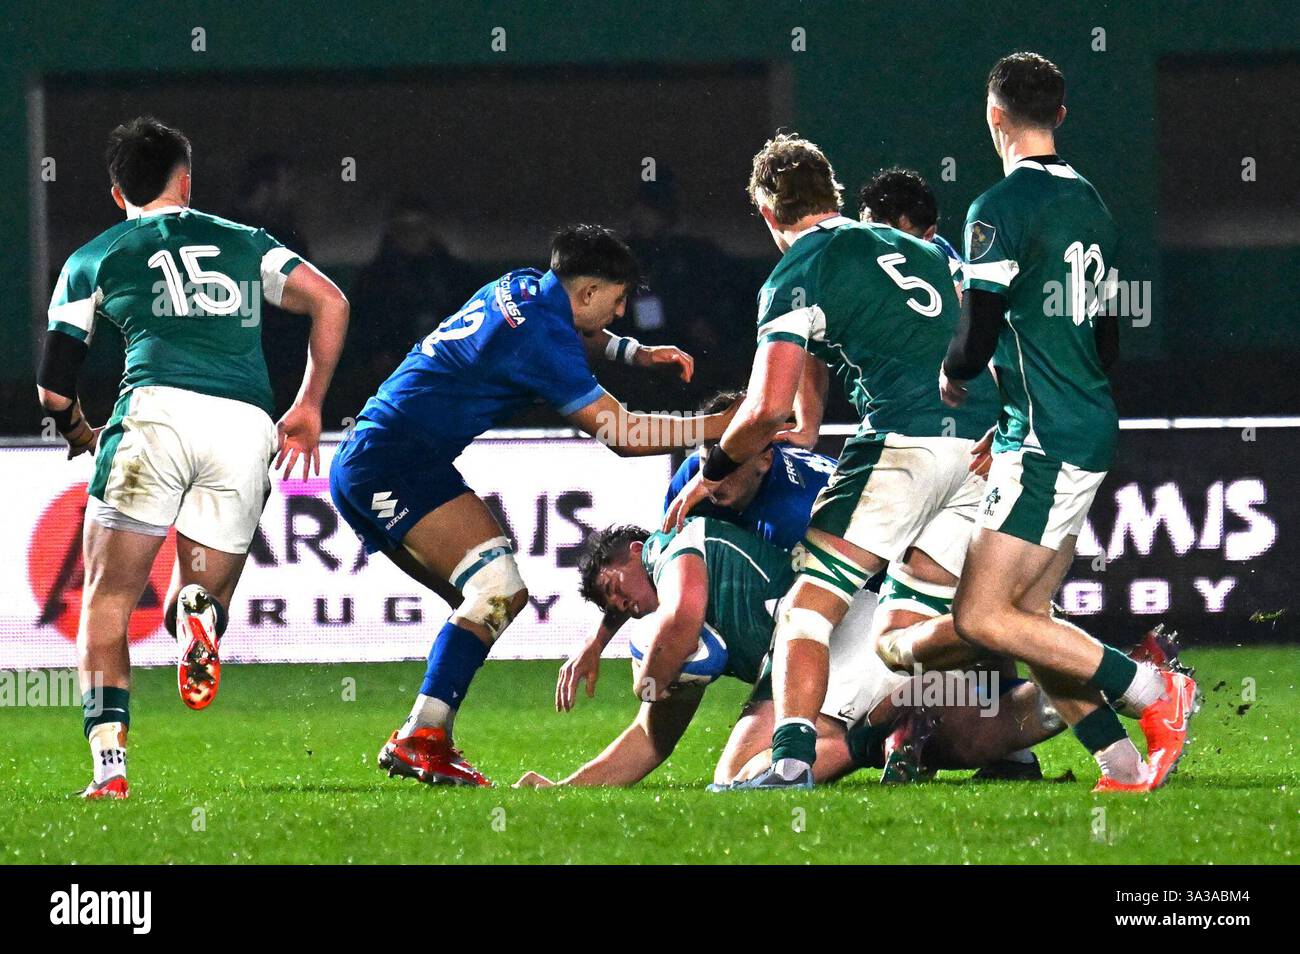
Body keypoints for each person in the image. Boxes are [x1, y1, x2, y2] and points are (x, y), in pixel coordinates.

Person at [329, 224, 735, 787]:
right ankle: (420, 737)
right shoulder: (540, 339)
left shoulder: (521, 286)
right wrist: (719, 426)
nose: (618, 315)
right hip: (392, 464)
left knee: (482, 601)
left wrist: (635, 354)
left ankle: (427, 732)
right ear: (588, 293)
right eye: (616, 302)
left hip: (379, 455)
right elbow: (621, 433)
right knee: (496, 590)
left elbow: (580, 334)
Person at [664, 133, 999, 789]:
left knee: (807, 610)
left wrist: (711, 468)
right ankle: (1118, 680)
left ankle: (792, 761)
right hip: (985, 446)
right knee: (926, 626)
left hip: (906, 442)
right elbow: (992, 329)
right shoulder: (927, 248)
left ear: (767, 215)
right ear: (835, 194)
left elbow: (766, 409)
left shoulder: (797, 271)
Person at [38, 117, 348, 799]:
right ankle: (199, 615)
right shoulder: (246, 242)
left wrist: (73, 425)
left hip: (155, 419)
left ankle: (110, 770)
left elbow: (54, 383)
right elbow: (331, 301)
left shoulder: (95, 256)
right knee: (203, 589)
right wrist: (309, 405)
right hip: (243, 425)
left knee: (107, 602)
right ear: (186, 180)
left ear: (118, 193)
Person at [937, 53, 1197, 793]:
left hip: (1047, 438)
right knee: (1030, 614)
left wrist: (954, 377)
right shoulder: (1095, 205)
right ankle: (1123, 764)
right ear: (1061, 115)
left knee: (982, 615)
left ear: (994, 118)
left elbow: (975, 338)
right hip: (1075, 422)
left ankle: (1154, 691)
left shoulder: (997, 208)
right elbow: (1107, 342)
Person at [517, 518, 1065, 788]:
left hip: (832, 636)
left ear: (638, 551)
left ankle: (880, 729)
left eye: (616, 590)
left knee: (747, 780)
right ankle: (1087, 687)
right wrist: (567, 787)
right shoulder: (683, 643)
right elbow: (647, 739)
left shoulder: (678, 544)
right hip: (827, 648)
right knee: (964, 733)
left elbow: (679, 622)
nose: (625, 608)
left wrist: (646, 677)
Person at [554, 389, 838, 713]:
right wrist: (598, 640)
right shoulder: (692, 478)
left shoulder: (793, 517)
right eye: (710, 463)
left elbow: (821, 607)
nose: (713, 481)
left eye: (729, 466)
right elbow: (658, 567)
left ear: (764, 459)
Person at [858, 167, 964, 296]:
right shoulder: (844, 265)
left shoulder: (953, 280)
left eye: (898, 241)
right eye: (872, 235)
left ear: (928, 235)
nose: (882, 250)